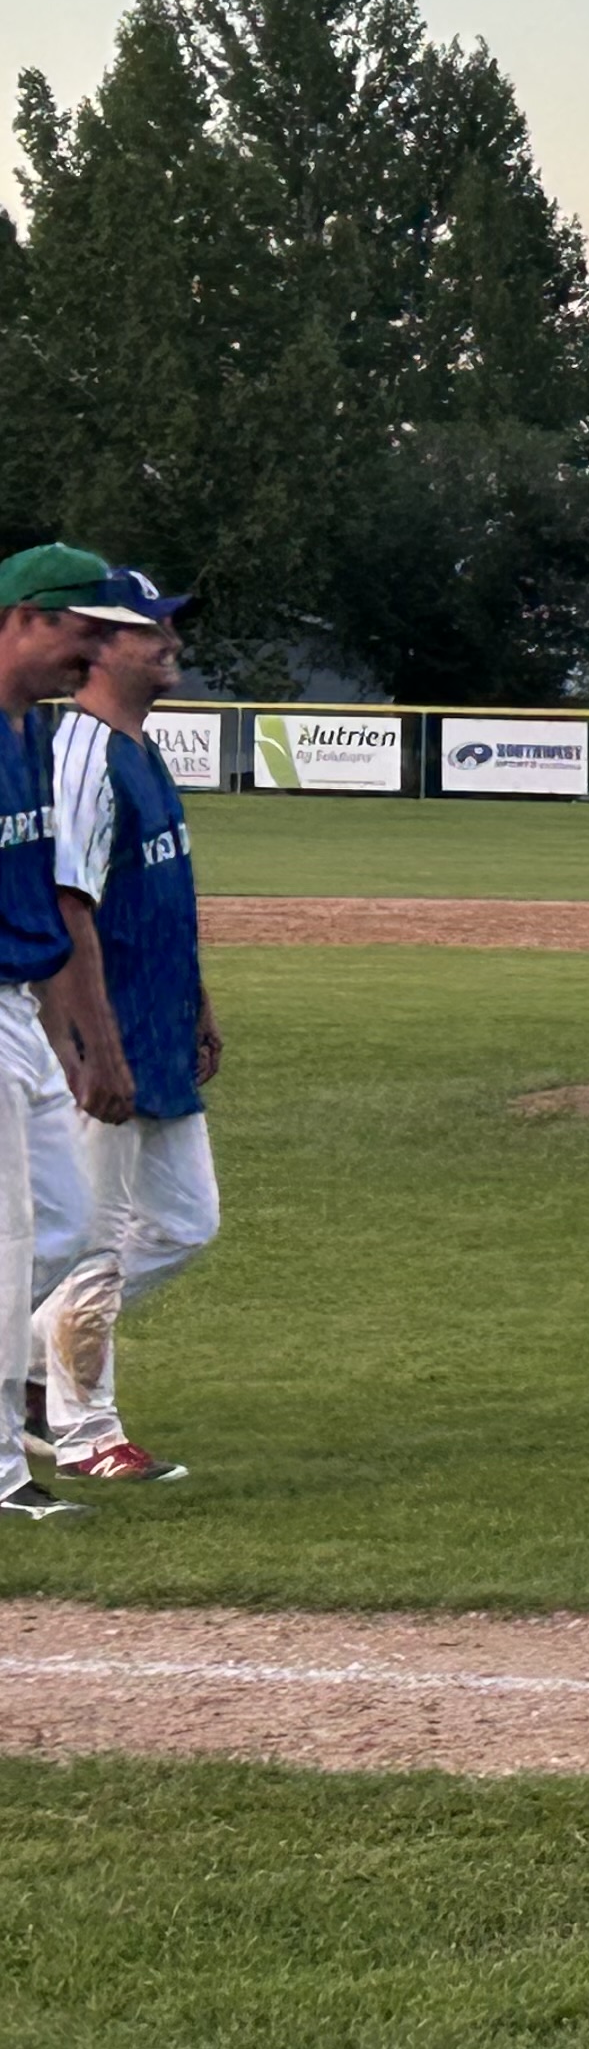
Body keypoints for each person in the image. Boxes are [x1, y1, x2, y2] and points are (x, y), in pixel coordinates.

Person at [28, 567, 213, 1485]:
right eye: (149, 630)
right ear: (98, 647)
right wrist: (93, 1045)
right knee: (95, 1241)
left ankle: (26, 1359)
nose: (168, 641)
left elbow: (160, 898)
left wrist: (199, 1006)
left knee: (185, 1225)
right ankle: (86, 1433)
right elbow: (70, 907)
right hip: (108, 1037)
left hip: (157, 1026)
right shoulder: (86, 756)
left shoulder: (140, 748)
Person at [0, 545, 122, 1524]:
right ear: (29, 618)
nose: (93, 659)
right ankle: (2, 1473)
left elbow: (37, 892)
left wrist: (66, 1032)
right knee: (8, 1243)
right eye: (84, 636)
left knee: (66, 1224)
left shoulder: (28, 732)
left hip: (18, 1008)